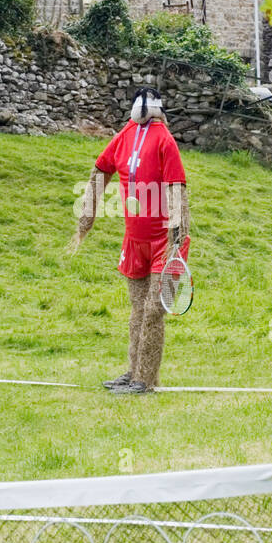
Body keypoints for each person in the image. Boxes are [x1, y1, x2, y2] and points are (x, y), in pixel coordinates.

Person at [68, 87, 190, 394]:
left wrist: (177, 234)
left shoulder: (165, 140)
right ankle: (133, 372)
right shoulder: (125, 134)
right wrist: (86, 220)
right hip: (134, 241)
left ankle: (145, 380)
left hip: (166, 243)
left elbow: (177, 189)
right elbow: (101, 171)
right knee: (137, 311)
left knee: (152, 311)